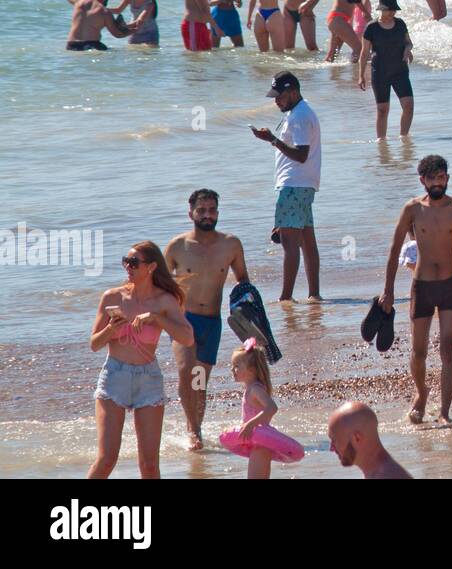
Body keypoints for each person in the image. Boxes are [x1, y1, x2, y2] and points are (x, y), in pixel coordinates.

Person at [88, 241, 195, 478]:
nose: (128, 266)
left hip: (149, 378)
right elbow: (94, 344)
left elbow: (187, 338)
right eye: (126, 261)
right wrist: (110, 329)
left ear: (152, 267)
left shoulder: (164, 301)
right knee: (107, 460)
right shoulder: (112, 297)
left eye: (134, 262)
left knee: (149, 465)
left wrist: (157, 319)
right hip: (114, 376)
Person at [380, 155, 452, 424]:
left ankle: (444, 412)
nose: (437, 183)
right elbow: (395, 248)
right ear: (422, 180)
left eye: (441, 177)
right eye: (431, 179)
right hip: (421, 287)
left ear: (447, 178)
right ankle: (421, 393)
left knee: (447, 349)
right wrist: (388, 290)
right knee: (418, 351)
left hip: (449, 285)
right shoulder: (412, 209)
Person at [164, 189, 249, 451]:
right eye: (201, 210)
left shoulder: (231, 245)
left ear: (218, 213)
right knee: (186, 372)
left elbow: (243, 282)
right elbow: (160, 287)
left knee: (200, 380)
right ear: (191, 213)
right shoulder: (178, 246)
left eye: (211, 210)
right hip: (183, 320)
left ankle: (196, 427)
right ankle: (193, 432)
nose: (207, 215)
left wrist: (249, 317)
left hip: (211, 323)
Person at [251, 72, 322, 299]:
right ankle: (314, 294)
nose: (276, 101)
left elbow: (301, 155)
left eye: (279, 96)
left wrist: (272, 140)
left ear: (293, 92)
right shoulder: (301, 110)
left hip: (293, 183)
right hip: (302, 184)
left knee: (290, 242)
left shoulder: (299, 116)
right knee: (307, 242)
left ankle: (286, 297)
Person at [219, 339, 303, 478]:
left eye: (236, 366)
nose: (232, 369)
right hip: (258, 442)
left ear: (251, 369)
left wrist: (250, 424)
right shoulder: (251, 388)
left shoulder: (255, 389)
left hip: (260, 443)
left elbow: (271, 408)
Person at [357, 0, 415, 138]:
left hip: (400, 71)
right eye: (390, 10)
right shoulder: (372, 27)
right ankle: (381, 142)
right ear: (381, 9)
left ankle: (404, 138)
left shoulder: (400, 24)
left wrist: (408, 49)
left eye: (394, 10)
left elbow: (409, 42)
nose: (393, 12)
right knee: (383, 110)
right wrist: (361, 76)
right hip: (380, 73)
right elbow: (364, 53)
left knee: (408, 105)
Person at [328, 402, 412, 478]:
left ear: (357, 438)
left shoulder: (387, 476)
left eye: (335, 440)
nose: (331, 448)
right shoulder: (380, 472)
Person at [65, 0, 131, 50]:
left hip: (71, 45)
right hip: (91, 45)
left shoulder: (79, 2)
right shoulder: (104, 12)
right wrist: (135, 30)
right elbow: (117, 34)